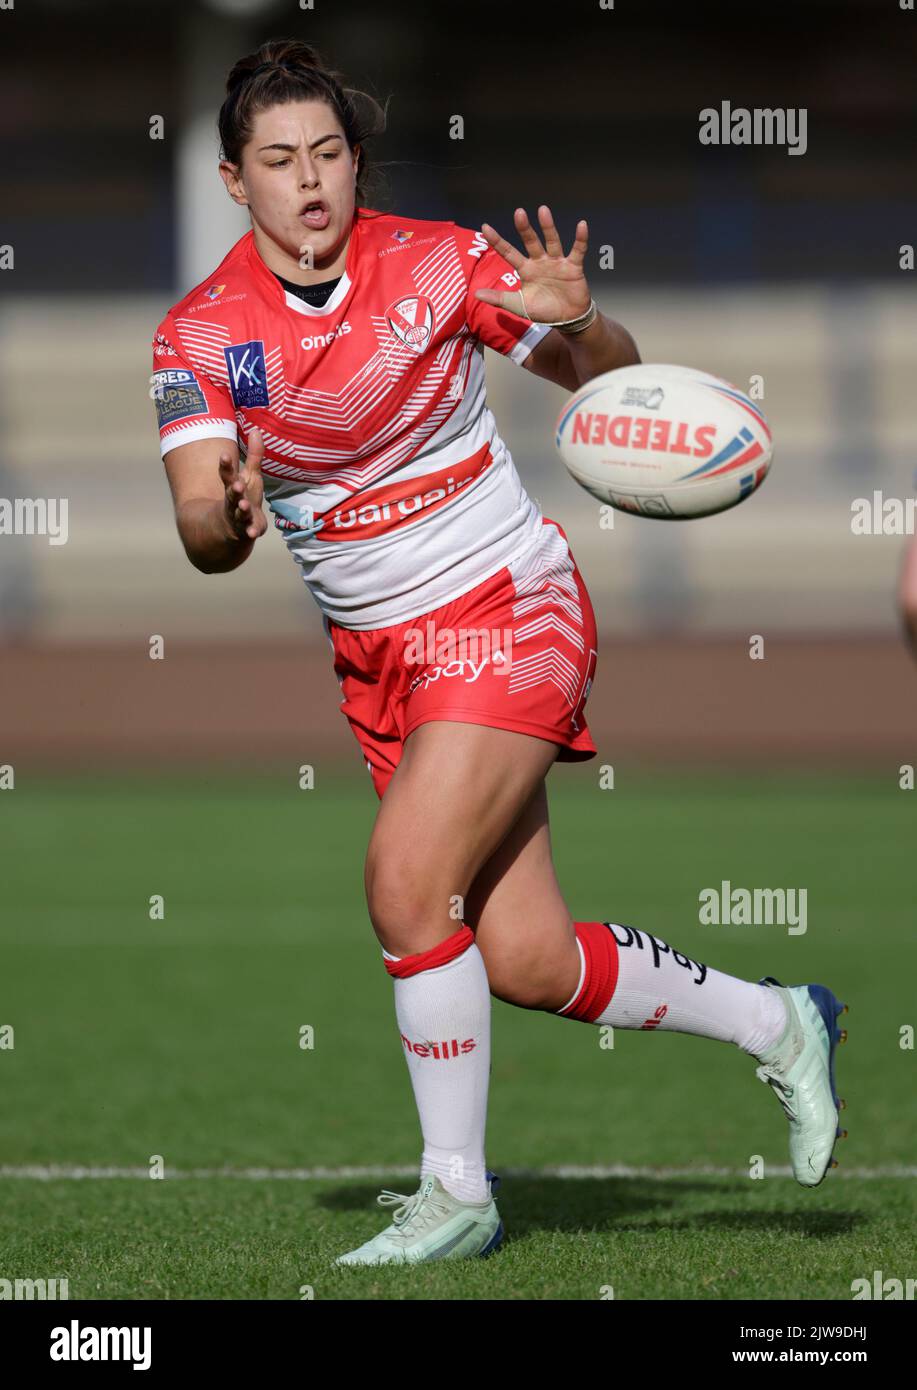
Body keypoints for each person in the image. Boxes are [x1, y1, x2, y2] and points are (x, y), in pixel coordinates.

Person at [151, 37, 848, 1267]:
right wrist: (230, 515)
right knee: (523, 956)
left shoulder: (436, 261)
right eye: (279, 161)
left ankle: (456, 1195)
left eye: (328, 154)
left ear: (355, 162)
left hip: (505, 606)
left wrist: (581, 320)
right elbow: (203, 526)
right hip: (378, 662)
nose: (309, 181)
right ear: (231, 180)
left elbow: (612, 389)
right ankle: (779, 1020)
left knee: (403, 883)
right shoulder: (199, 336)